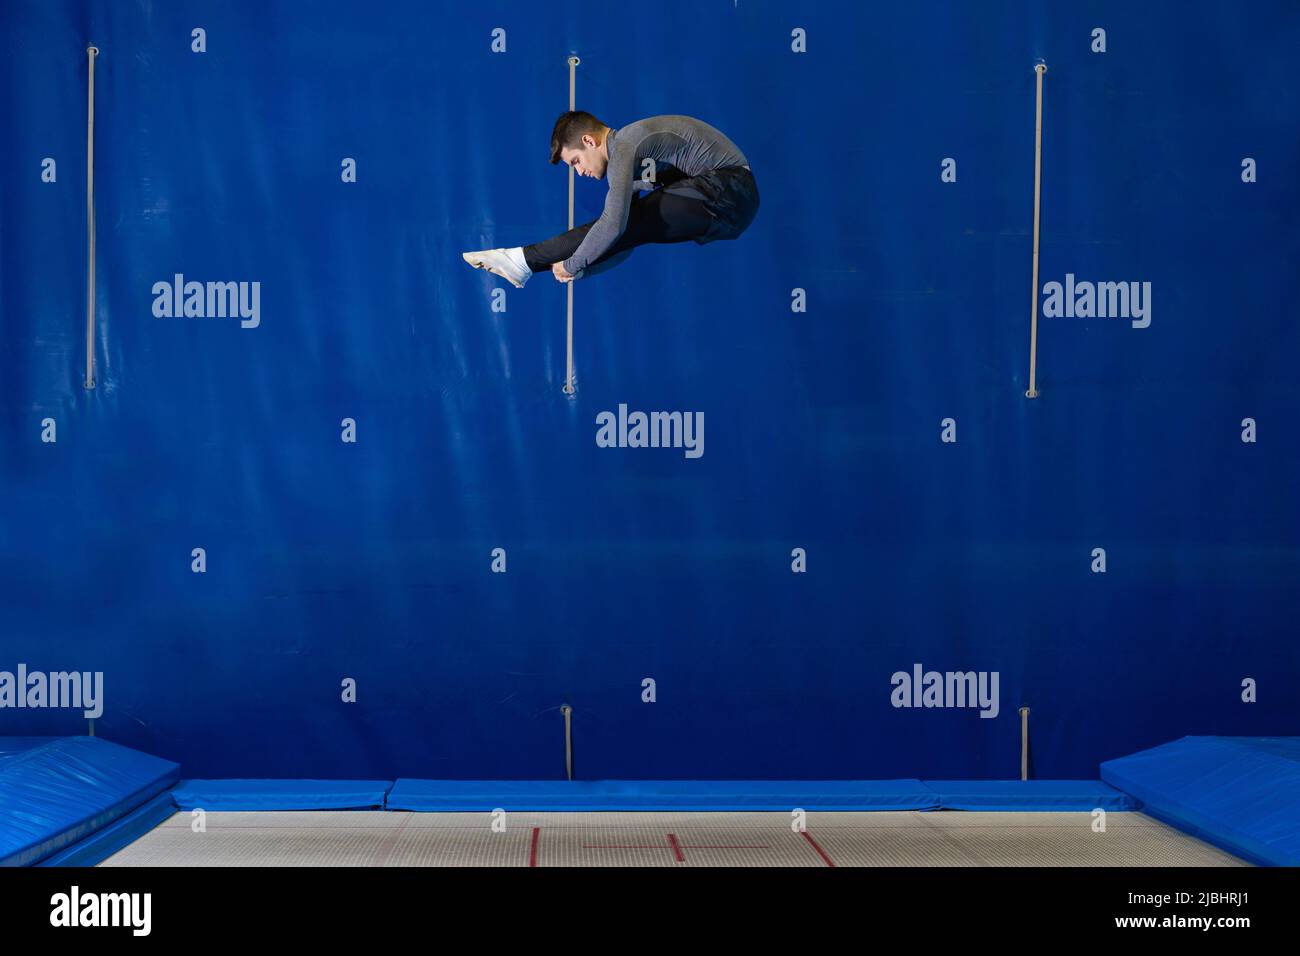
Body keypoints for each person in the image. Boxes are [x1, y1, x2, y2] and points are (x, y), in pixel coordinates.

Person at [462, 111, 759, 286]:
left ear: (589, 141)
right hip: (729, 203)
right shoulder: (637, 159)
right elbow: (627, 236)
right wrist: (587, 268)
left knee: (617, 220)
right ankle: (523, 262)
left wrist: (573, 263)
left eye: (576, 161)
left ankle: (522, 259)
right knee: (635, 224)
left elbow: (614, 225)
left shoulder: (625, 144)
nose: (580, 173)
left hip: (727, 189)